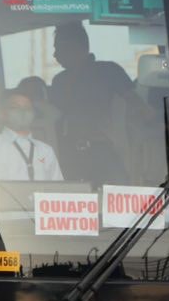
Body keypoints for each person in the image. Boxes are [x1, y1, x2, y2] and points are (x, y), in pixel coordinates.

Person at [48, 21, 135, 182]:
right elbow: (53, 118)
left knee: (120, 194)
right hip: (67, 155)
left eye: (58, 48)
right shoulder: (59, 81)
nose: (55, 54)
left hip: (102, 152)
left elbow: (137, 105)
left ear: (75, 47)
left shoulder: (109, 71)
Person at [0, 90, 63, 184]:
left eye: (27, 108)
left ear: (33, 114)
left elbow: (58, 187)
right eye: (15, 107)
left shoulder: (46, 150)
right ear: (2, 114)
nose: (22, 111)